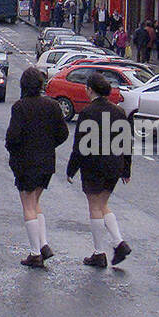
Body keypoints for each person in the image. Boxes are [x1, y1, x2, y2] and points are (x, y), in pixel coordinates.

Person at [4, 66, 70, 268]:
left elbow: (13, 137)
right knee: (36, 202)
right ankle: (43, 244)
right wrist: (48, 145)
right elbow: (63, 134)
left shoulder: (20, 107)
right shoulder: (52, 106)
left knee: (28, 205)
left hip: (26, 163)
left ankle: (35, 253)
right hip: (46, 163)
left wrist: (13, 149)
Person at [66, 72, 132, 268]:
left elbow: (79, 145)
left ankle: (99, 252)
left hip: (93, 165)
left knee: (94, 206)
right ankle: (119, 243)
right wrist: (126, 170)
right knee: (103, 204)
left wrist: (71, 169)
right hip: (114, 165)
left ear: (90, 90)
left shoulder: (87, 113)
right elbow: (126, 143)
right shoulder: (119, 112)